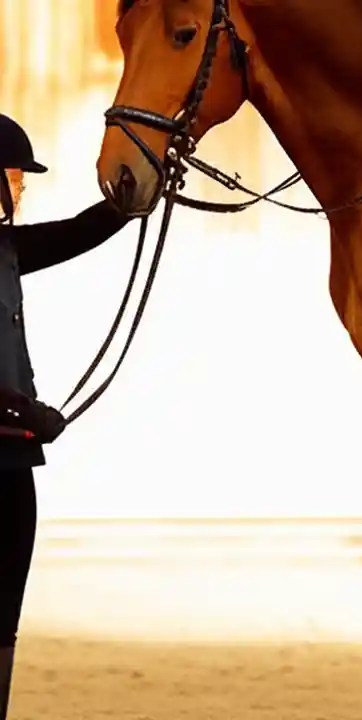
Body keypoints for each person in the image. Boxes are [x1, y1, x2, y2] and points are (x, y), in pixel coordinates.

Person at [0, 113, 133, 719]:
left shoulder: (5, 250)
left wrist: (127, 206)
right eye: (14, 176)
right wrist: (25, 410)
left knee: (3, 623)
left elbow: (73, 234)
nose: (22, 188)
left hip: (10, 465)